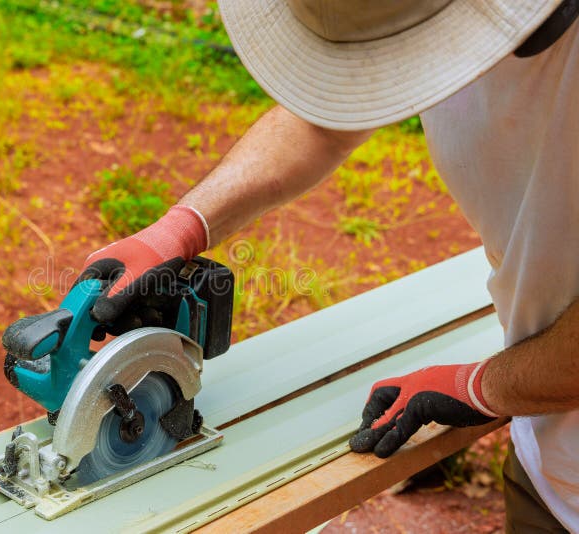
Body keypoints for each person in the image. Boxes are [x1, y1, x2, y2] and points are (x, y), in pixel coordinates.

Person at [77, 1, 579, 531]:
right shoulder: (429, 15)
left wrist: (479, 386)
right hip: (550, 460)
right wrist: (177, 230)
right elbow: (329, 119)